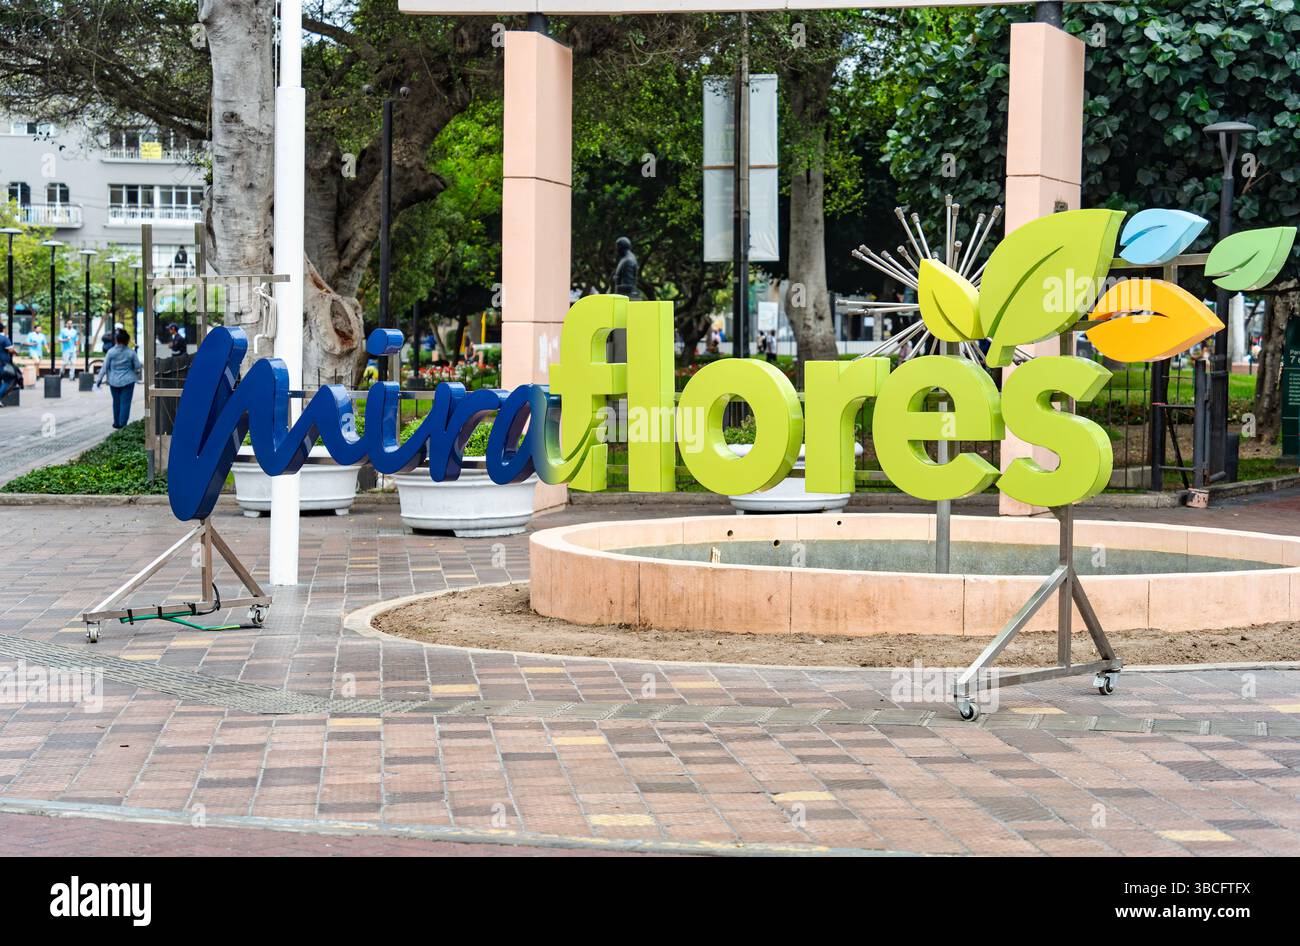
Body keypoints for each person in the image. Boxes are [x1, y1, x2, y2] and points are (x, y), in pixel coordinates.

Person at [95, 328, 143, 429]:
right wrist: (135, 371)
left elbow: (104, 368)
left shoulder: (111, 352)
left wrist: (98, 381)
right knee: (125, 403)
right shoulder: (131, 353)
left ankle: (116, 423)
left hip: (114, 381)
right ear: (127, 341)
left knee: (116, 402)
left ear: (116, 340)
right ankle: (123, 424)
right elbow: (138, 366)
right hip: (128, 381)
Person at [0, 329, 17, 405]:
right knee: (8, 380)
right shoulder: (4, 338)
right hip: (3, 363)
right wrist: (15, 352)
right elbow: (10, 350)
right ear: (3, 329)